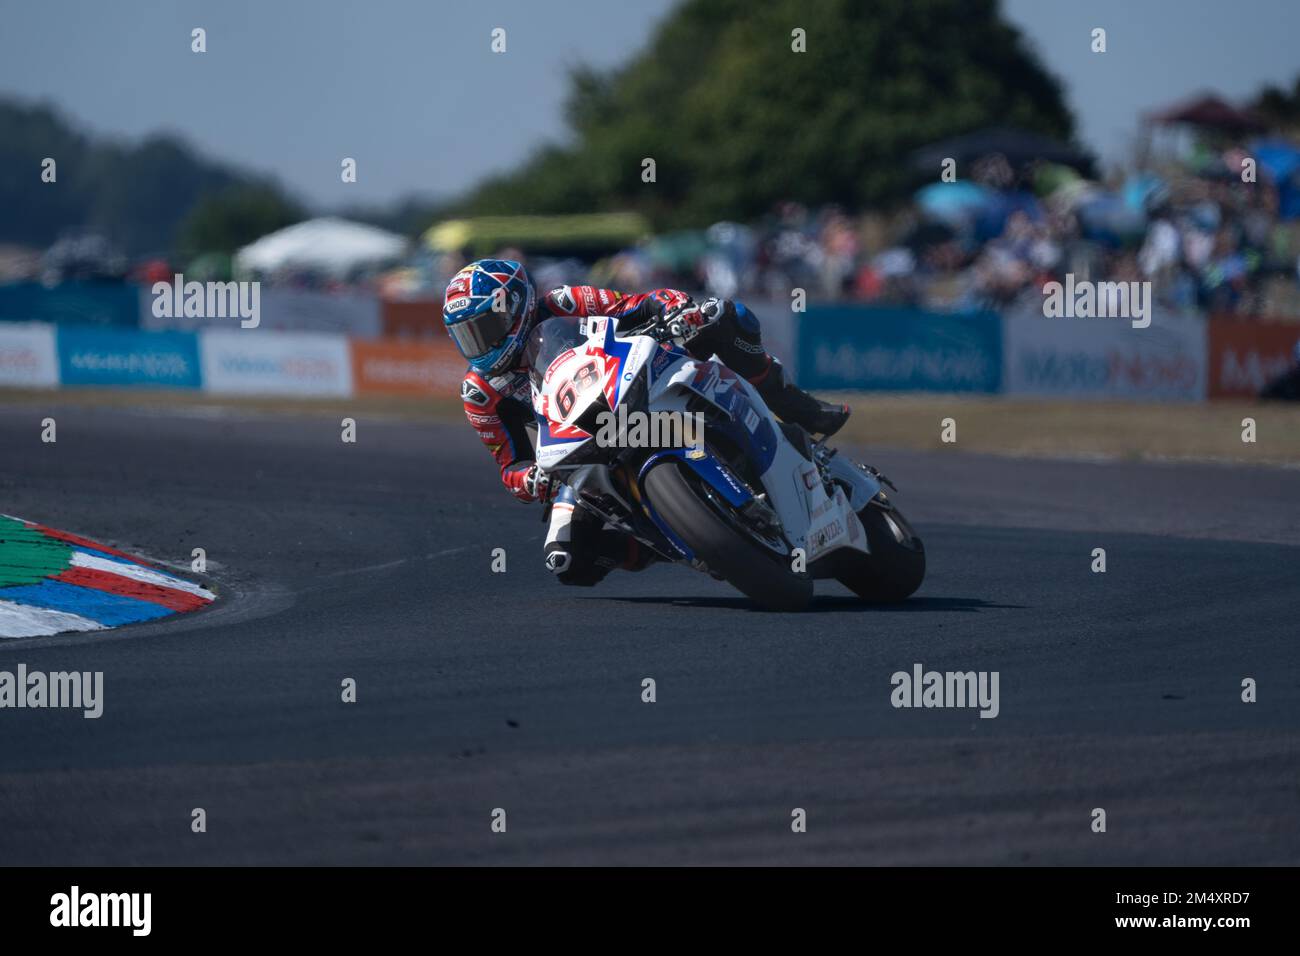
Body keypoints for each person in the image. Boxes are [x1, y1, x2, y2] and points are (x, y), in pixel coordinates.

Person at [443, 258, 849, 585]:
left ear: (517, 305)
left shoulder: (564, 301)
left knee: (726, 315)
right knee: (567, 561)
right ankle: (675, 539)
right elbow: (509, 466)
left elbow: (636, 304)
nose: (483, 345)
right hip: (573, 448)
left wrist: (675, 308)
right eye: (469, 336)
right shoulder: (480, 392)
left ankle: (796, 405)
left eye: (487, 328)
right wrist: (530, 479)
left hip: (632, 380)